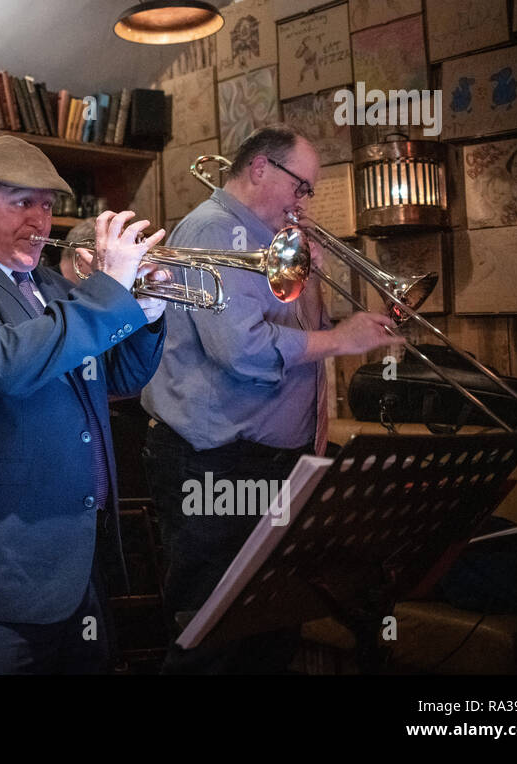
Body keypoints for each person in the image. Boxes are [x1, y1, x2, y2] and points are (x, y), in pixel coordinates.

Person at [0, 135, 169, 673]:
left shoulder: (58, 286)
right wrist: (111, 294)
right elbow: (3, 366)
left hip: (78, 571)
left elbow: (119, 377)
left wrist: (148, 312)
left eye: (46, 205)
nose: (39, 220)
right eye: (20, 201)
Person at [140, 126, 402, 673]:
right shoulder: (214, 231)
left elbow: (297, 329)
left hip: (272, 460)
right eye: (301, 186)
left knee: (269, 635)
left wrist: (312, 282)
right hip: (215, 461)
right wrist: (344, 340)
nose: (304, 201)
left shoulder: (271, 238)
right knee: (211, 639)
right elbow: (242, 350)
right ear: (260, 168)